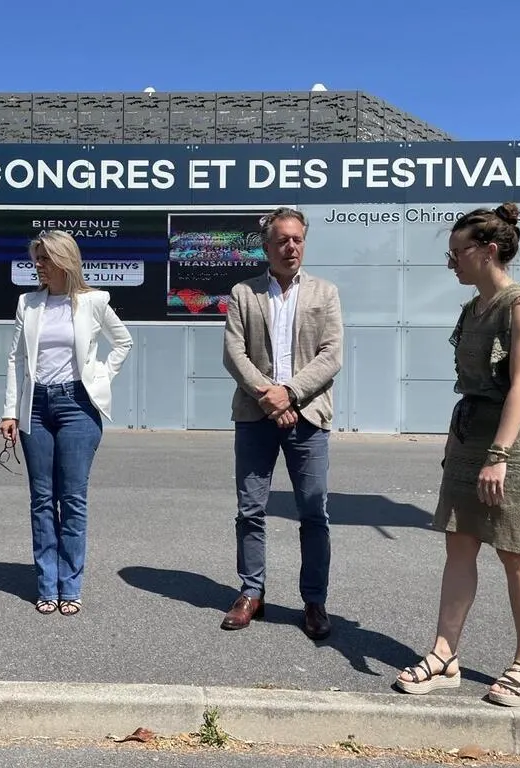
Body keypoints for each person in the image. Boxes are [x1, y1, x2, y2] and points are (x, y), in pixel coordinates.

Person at [395, 203, 520, 707]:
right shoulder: (472, 309)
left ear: (488, 250)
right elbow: (471, 385)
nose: (451, 263)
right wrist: (457, 445)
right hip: (469, 435)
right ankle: (445, 656)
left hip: (512, 442)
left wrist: (499, 454)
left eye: (457, 253)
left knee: (514, 552)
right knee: (459, 546)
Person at [220, 206, 343, 639]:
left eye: (297, 239)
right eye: (282, 240)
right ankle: (251, 592)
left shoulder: (325, 293)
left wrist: (288, 393)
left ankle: (314, 601)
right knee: (250, 509)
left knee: (313, 512)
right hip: (256, 415)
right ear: (266, 246)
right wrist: (269, 396)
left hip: (308, 415)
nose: (291, 247)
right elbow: (234, 353)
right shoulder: (243, 293)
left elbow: (331, 355)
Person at [0, 230, 133, 616]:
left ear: (64, 260)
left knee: (72, 499)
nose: (38, 265)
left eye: (44, 259)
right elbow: (16, 358)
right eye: (36, 258)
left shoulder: (94, 301)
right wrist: (10, 410)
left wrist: (100, 376)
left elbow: (123, 342)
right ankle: (47, 583)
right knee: (42, 499)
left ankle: (70, 584)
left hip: (78, 405)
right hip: (36, 406)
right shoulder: (28, 303)